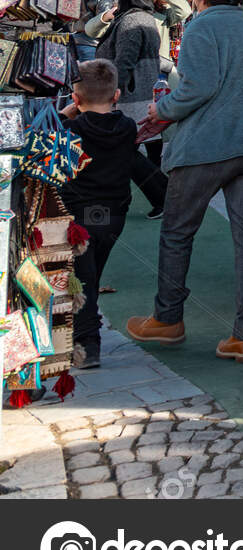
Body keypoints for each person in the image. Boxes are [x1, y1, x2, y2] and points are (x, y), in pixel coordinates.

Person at [124, 0, 243, 363]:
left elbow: (197, 87)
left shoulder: (200, 27)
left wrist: (161, 109)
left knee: (177, 231)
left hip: (209, 146)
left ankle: (168, 317)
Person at [61, 61, 139, 370]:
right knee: (90, 277)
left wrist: (67, 112)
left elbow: (51, 129)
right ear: (117, 94)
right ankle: (83, 338)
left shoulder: (73, 128)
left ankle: (87, 345)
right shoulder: (128, 127)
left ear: (76, 99)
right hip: (114, 214)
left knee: (83, 279)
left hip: (80, 214)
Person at [95, 0, 170, 221]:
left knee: (125, 150)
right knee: (135, 151)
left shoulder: (132, 20)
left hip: (130, 93)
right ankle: (161, 196)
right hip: (143, 89)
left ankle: (161, 196)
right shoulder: (146, 19)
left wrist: (112, 90)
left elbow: (125, 60)